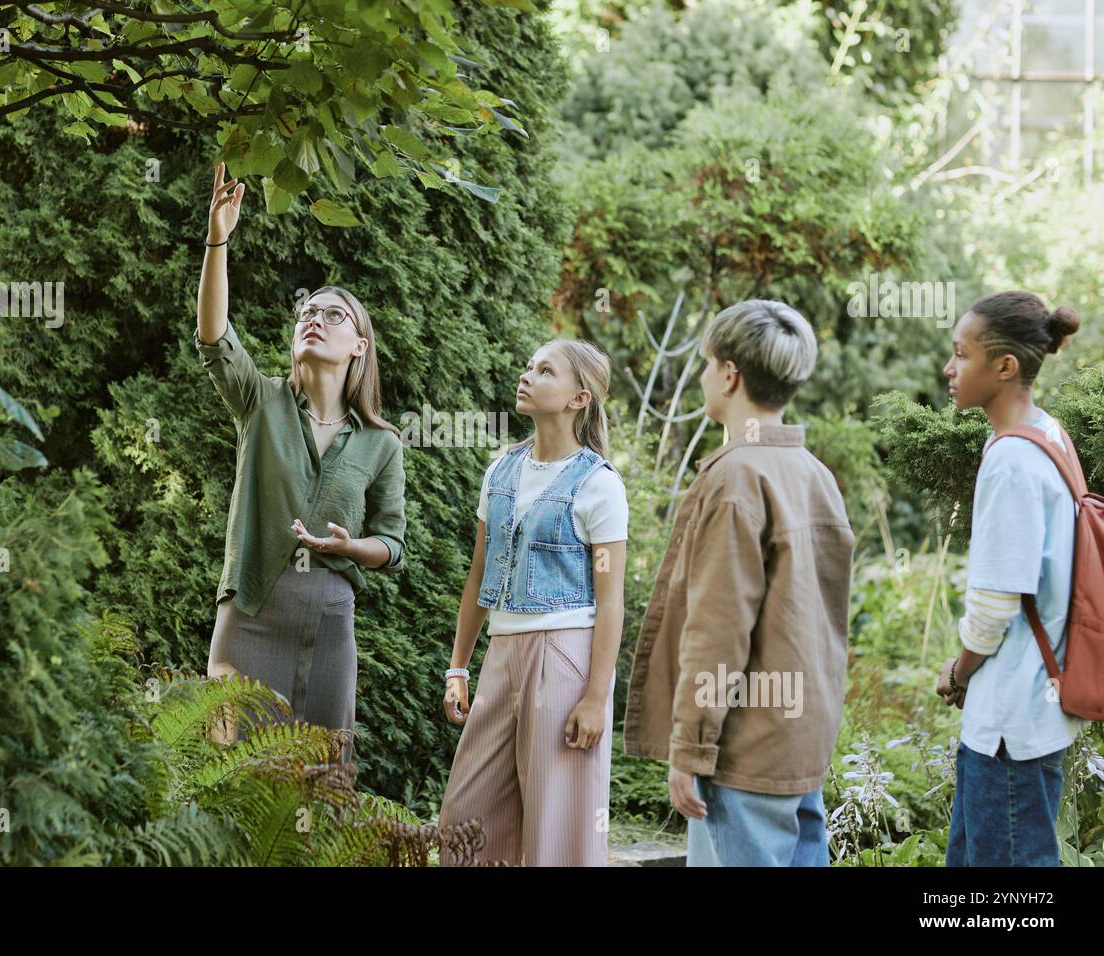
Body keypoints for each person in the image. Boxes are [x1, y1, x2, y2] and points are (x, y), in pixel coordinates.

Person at [624, 299, 854, 866]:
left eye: (706, 364)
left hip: (742, 751)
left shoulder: (736, 476)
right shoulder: (815, 474)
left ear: (730, 373)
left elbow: (718, 628)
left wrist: (691, 750)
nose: (703, 376)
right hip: (801, 742)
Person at [196, 163, 407, 766]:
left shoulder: (382, 443)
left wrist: (349, 547)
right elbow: (213, 336)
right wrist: (219, 238)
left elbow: (394, 545)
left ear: (359, 346)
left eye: (332, 314)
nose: (313, 319)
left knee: (321, 781)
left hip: (331, 620)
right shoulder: (259, 402)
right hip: (253, 611)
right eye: (305, 314)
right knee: (234, 776)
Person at [438, 339, 627, 866]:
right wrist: (458, 667)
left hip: (565, 657)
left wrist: (596, 698)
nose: (527, 376)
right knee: (464, 820)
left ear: (578, 399)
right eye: (530, 367)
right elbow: (480, 573)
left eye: (545, 371)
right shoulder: (501, 472)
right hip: (502, 655)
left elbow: (612, 603)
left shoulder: (599, 484)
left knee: (554, 827)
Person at [936, 290, 1086, 867]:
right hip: (1026, 712)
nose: (950, 369)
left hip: (1008, 727)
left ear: (1005, 367)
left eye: (961, 354)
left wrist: (957, 671)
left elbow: (997, 603)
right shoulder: (1046, 435)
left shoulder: (1013, 461)